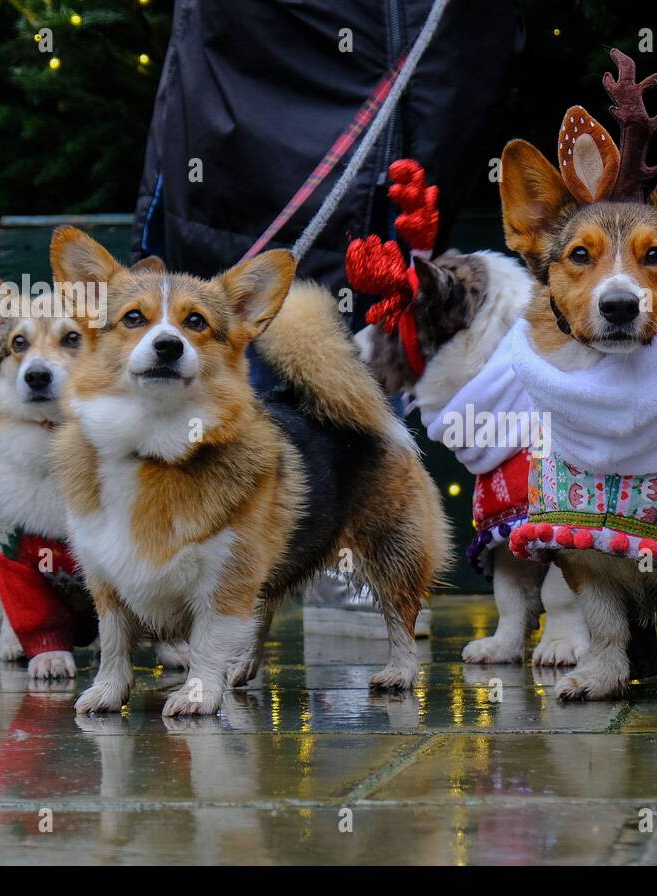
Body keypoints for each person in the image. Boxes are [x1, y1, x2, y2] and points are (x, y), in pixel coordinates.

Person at [129, 0, 522, 633]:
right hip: (266, 72)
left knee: (365, 313)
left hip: (396, 58)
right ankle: (221, 577)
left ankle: (355, 564)